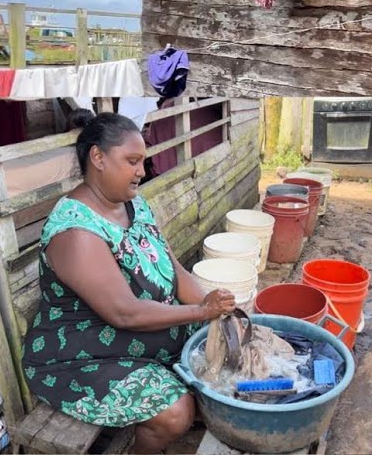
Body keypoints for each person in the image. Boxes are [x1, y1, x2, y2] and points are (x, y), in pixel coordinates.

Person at [21, 110, 238, 453]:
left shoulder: (134, 204)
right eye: (133, 161)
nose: (141, 171)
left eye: (143, 161)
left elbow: (175, 270)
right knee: (175, 413)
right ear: (98, 158)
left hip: (139, 336)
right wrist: (200, 312)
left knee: (224, 350)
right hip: (80, 354)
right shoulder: (76, 231)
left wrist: (218, 313)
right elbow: (124, 313)